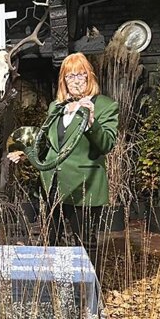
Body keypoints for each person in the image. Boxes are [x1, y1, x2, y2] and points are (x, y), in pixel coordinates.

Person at [8, 52, 118, 268]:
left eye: (80, 75)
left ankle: (90, 292)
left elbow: (106, 144)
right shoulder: (56, 107)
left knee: (85, 242)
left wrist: (91, 122)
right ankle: (54, 287)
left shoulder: (105, 105)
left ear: (89, 77)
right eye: (70, 76)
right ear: (63, 81)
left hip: (83, 184)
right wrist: (26, 153)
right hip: (52, 183)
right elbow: (49, 143)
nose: (75, 81)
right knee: (51, 238)